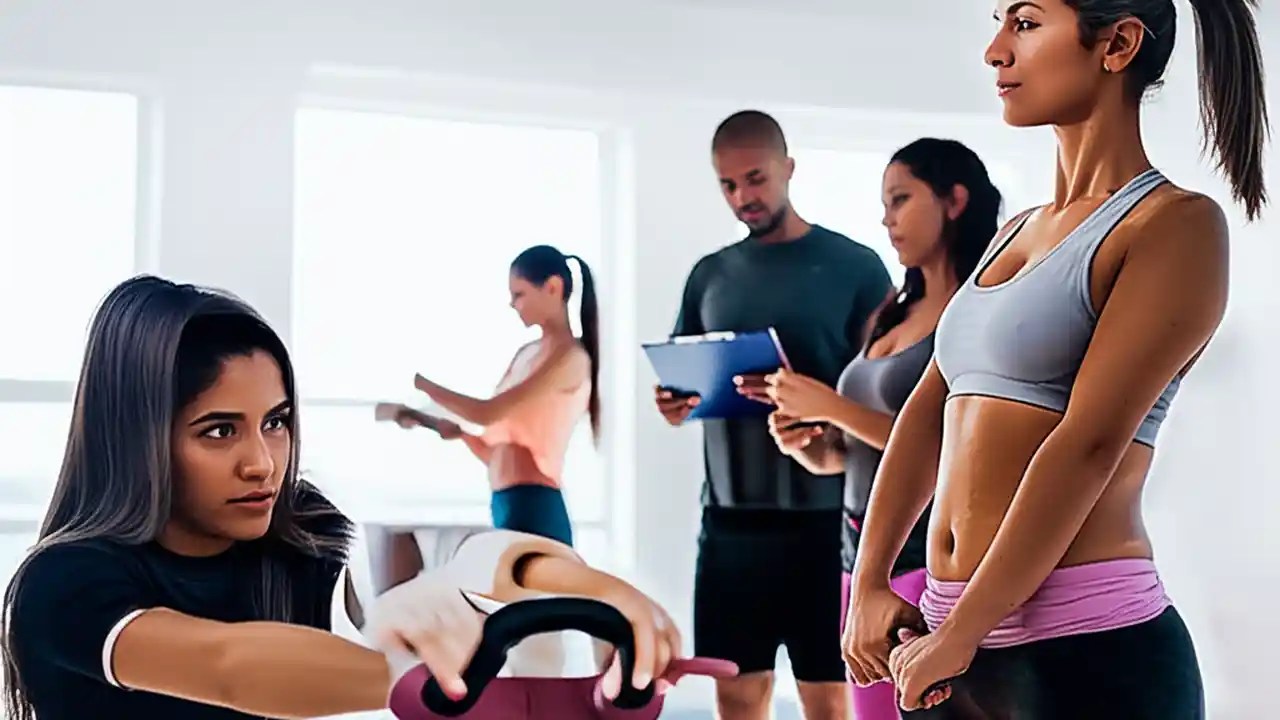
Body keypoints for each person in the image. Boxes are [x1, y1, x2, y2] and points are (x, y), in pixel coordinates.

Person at [843, 1, 1266, 717]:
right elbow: (927, 415)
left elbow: (1089, 443)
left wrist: (966, 631)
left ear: (1118, 44)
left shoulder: (1176, 225)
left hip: (1088, 653)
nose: (995, 52)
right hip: (947, 642)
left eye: (1026, 23)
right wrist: (872, 581)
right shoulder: (1014, 233)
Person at [0, 275, 677, 720]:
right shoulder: (61, 586)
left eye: (276, 422)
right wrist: (429, 670)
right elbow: (229, 666)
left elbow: (454, 556)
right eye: (218, 432)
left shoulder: (296, 529)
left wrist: (588, 589)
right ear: (134, 436)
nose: (261, 462)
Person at [655, 110, 894, 720]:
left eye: (755, 179)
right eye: (728, 185)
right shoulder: (709, 275)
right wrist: (674, 403)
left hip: (828, 519)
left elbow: (887, 387)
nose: (743, 198)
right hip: (731, 523)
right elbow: (687, 374)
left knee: (829, 700)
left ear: (788, 168)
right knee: (736, 697)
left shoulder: (857, 267)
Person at [764, 138, 1002, 720]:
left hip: (931, 563)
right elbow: (858, 456)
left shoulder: (981, 310)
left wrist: (830, 404)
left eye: (900, 199)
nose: (885, 217)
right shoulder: (892, 310)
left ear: (955, 199)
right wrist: (813, 447)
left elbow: (952, 448)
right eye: (883, 203)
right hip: (859, 558)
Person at [390, 245, 598, 549]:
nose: (513, 304)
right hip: (505, 503)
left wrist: (422, 384)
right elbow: (494, 448)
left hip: (536, 507)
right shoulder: (526, 354)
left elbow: (487, 413)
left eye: (520, 294)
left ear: (553, 287)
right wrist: (458, 434)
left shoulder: (570, 358)